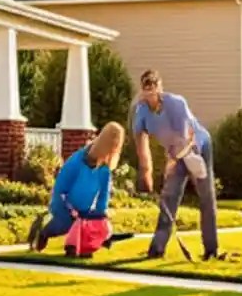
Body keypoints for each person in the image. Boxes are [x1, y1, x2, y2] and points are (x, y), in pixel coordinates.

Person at [130, 70, 222, 260]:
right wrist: (146, 170)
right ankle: (157, 248)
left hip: (197, 148)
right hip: (175, 152)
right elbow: (141, 140)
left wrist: (170, 165)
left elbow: (185, 138)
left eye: (153, 90)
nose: (150, 95)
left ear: (159, 88)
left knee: (205, 196)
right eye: (146, 91)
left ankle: (211, 250)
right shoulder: (141, 111)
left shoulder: (176, 104)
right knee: (169, 197)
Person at [27, 122, 134, 254]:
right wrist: (69, 207)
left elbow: (103, 194)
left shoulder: (104, 169)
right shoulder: (77, 161)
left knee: (90, 225)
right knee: (65, 224)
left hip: (84, 208)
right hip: (64, 205)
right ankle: (43, 233)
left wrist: (101, 214)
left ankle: (88, 244)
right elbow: (61, 188)